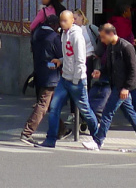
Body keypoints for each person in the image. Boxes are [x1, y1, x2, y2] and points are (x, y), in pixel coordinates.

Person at [40, 10, 99, 151]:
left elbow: (80, 60)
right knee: (54, 108)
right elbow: (68, 55)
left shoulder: (77, 36)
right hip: (65, 78)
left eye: (65, 20)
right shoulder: (64, 34)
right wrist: (60, 61)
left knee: (85, 110)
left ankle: (98, 137)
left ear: (72, 20)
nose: (62, 23)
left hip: (76, 80)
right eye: (61, 20)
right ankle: (50, 139)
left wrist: (76, 80)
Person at [92, 22, 136, 152]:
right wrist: (100, 71)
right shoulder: (110, 47)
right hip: (117, 84)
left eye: (103, 37)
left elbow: (133, 70)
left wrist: (127, 87)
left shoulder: (126, 47)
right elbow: (109, 66)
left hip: (121, 87)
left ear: (111, 34)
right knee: (131, 114)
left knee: (107, 112)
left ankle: (98, 141)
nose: (102, 40)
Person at [21, 14, 63, 144]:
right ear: (55, 25)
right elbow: (60, 56)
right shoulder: (54, 37)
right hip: (51, 75)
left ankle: (62, 130)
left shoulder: (36, 33)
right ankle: (27, 133)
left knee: (51, 104)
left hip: (38, 71)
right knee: (44, 104)